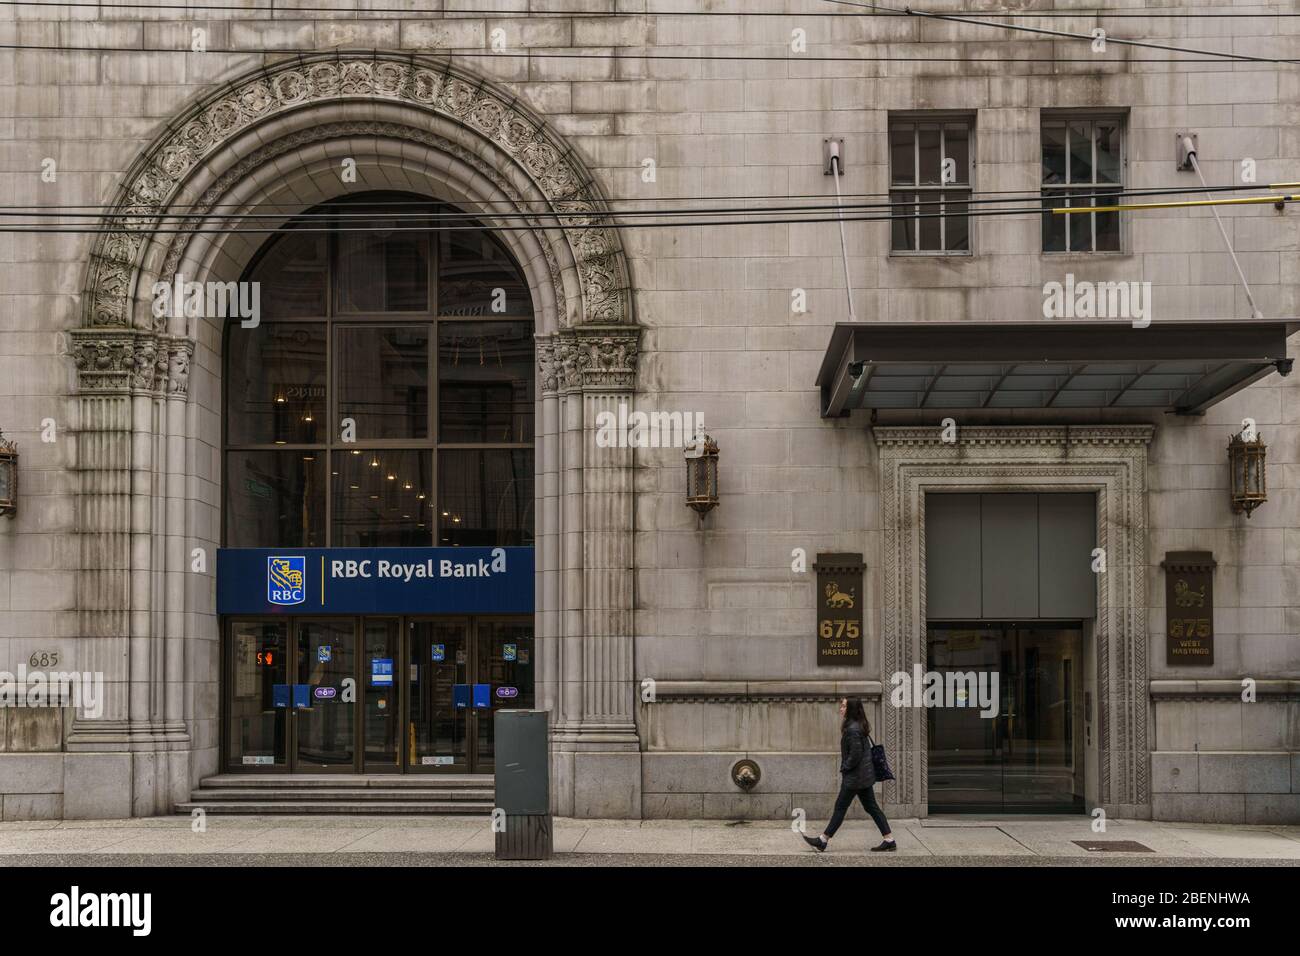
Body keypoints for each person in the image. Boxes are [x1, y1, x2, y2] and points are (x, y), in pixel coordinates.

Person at [803, 697, 896, 852]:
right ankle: (889, 839)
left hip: (855, 778)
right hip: (863, 776)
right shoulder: (858, 726)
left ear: (851, 709)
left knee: (840, 807)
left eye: (844, 706)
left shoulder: (852, 729)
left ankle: (823, 840)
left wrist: (845, 767)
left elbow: (856, 754)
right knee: (872, 808)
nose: (841, 708)